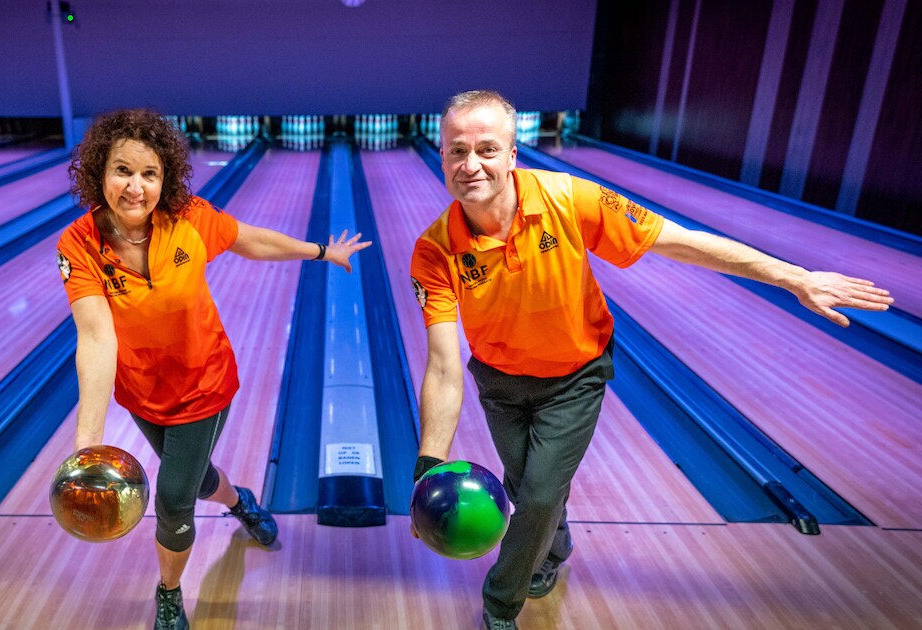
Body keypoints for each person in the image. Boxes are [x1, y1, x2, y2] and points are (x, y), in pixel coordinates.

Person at [407, 90, 894, 630]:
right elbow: (445, 367)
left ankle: (500, 609)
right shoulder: (434, 250)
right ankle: (553, 549)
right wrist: (428, 467)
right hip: (500, 382)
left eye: (487, 149)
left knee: (539, 496)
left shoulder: (571, 199)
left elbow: (681, 241)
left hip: (573, 378)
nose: (471, 164)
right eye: (457, 151)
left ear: (513, 154)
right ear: (442, 154)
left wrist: (793, 277)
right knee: (527, 488)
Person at [57, 109, 370, 630]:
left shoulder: (189, 218)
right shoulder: (78, 243)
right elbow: (95, 336)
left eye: (149, 174)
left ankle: (169, 592)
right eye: (122, 171)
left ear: (165, 178)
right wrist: (87, 444)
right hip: (141, 392)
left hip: (203, 384)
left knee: (174, 497)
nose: (135, 187)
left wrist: (321, 251)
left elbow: (250, 239)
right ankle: (241, 501)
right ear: (99, 172)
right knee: (198, 479)